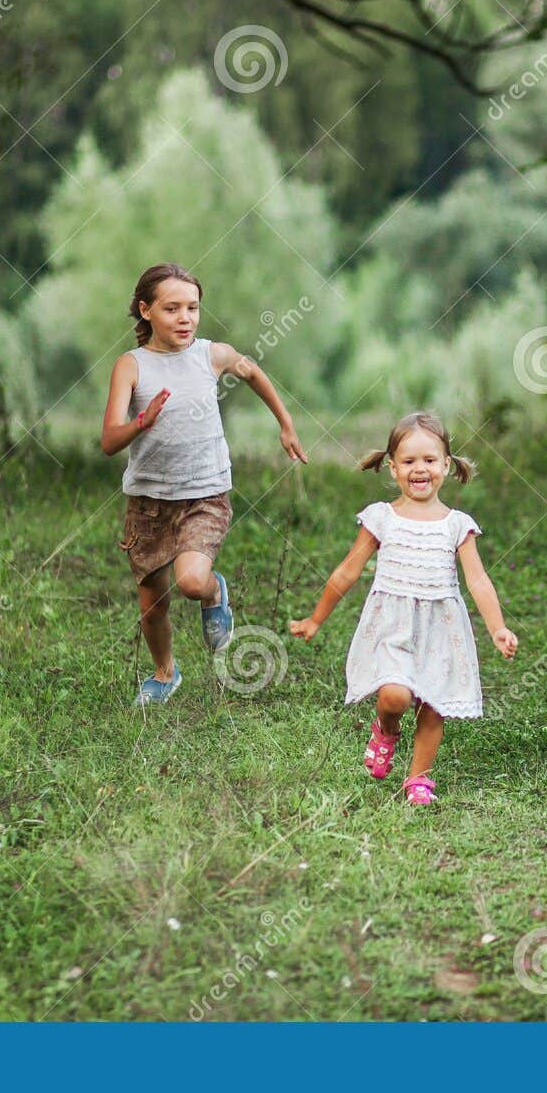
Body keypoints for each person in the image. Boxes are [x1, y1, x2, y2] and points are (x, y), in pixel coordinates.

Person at [101, 262, 307, 706]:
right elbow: (108, 441)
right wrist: (142, 421)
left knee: (192, 581)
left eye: (192, 308)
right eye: (172, 308)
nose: (185, 318)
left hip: (204, 494)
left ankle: (215, 594)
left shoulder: (211, 355)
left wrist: (285, 424)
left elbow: (252, 373)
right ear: (145, 311)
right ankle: (164, 674)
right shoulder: (131, 365)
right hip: (149, 503)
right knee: (152, 604)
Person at [289, 413, 516, 805]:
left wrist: (496, 627)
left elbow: (478, 580)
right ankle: (386, 728)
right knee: (395, 695)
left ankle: (418, 779)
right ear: (392, 468)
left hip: (441, 628)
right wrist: (315, 618)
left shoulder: (456, 525)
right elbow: (347, 571)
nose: (420, 469)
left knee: (433, 707)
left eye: (430, 459)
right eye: (409, 461)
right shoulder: (382, 518)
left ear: (446, 464)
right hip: (393, 626)